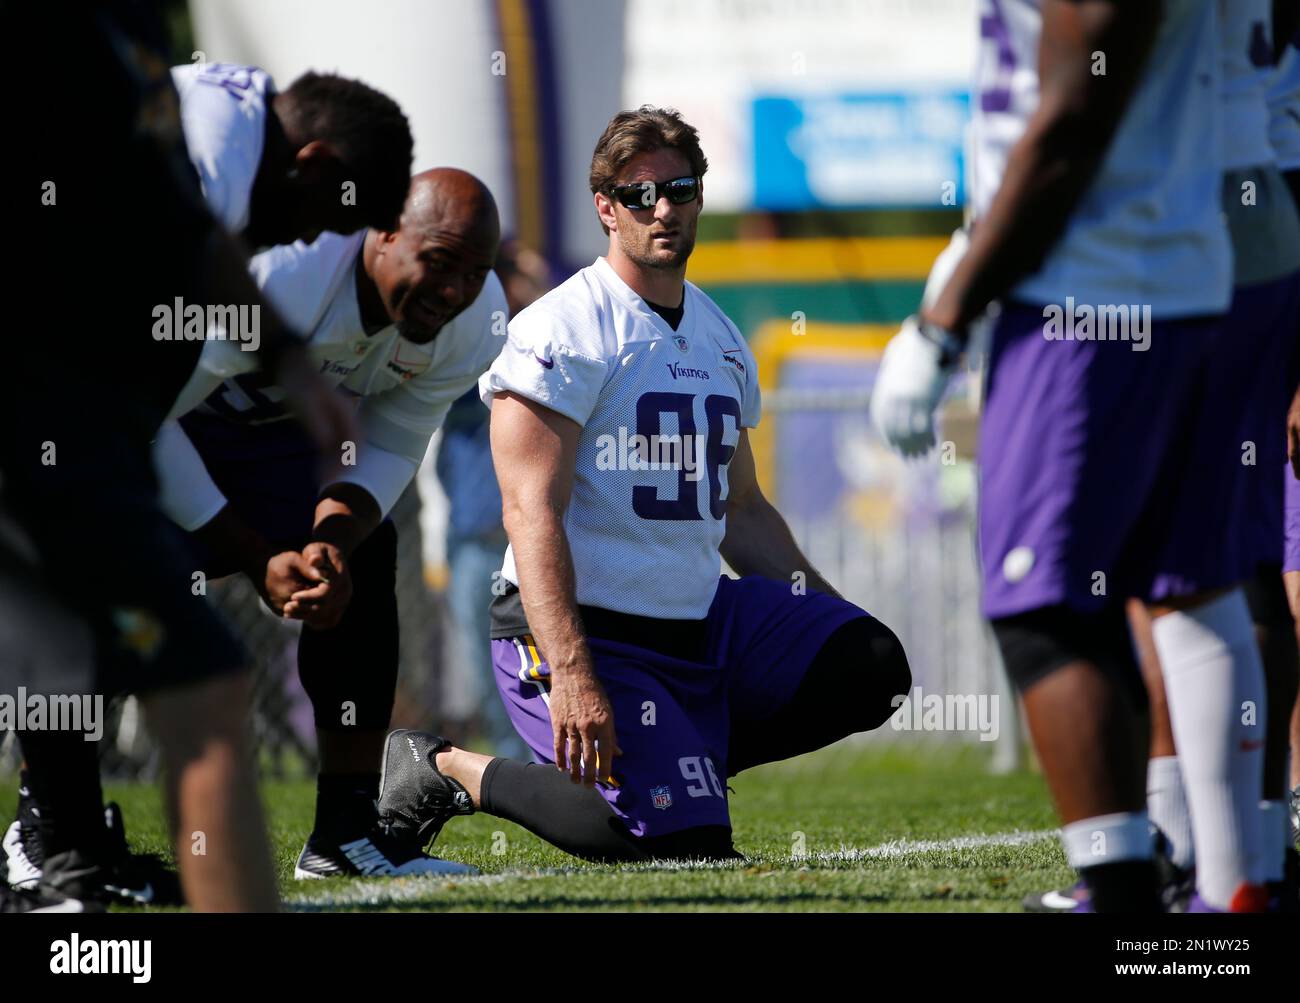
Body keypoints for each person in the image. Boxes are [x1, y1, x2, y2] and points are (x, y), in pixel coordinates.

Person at [375, 107, 910, 863]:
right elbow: (531, 512)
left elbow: (744, 509)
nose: (661, 207)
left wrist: (820, 604)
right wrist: (572, 671)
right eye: (638, 194)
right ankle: (445, 768)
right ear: (605, 208)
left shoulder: (722, 337)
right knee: (679, 843)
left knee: (870, 663)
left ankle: (677, 761)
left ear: (698, 198)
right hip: (580, 627)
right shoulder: (565, 326)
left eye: (679, 188)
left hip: (696, 621)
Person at [870, 0, 1259, 911]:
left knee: (1047, 605)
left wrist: (944, 320)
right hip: (1175, 267)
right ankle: (1237, 888)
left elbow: (1078, 105)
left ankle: (1128, 905)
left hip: (1091, 287)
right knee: (1188, 581)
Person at [152, 168, 504, 879]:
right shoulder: (285, 272)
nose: (454, 292)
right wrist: (253, 556)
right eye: (438, 263)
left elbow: (396, 440)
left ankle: (346, 829)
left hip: (275, 450)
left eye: (474, 273)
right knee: (80, 574)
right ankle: (50, 827)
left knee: (366, 550)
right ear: (383, 232)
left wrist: (328, 544)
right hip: (150, 434)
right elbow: (142, 419)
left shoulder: (476, 316)